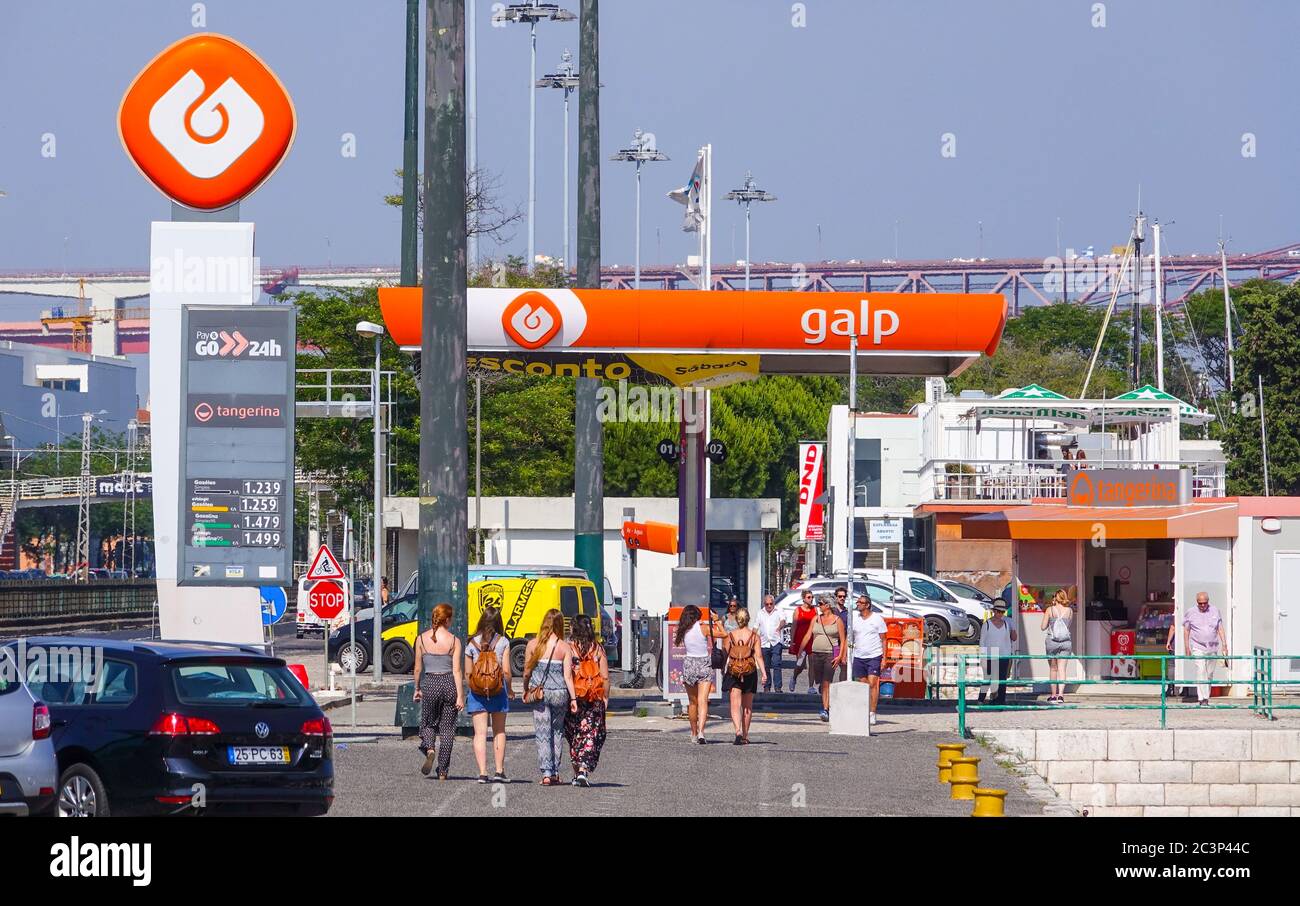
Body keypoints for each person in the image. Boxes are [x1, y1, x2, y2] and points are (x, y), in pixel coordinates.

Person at [413, 603, 464, 780]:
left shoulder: (421, 639)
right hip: (449, 683)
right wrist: (460, 695)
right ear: (447, 620)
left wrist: (417, 688)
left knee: (428, 722)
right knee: (448, 729)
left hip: (431, 683)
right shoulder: (454, 641)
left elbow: (418, 668)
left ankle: (430, 748)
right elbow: (457, 670)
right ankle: (443, 770)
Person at [523, 609, 574, 786]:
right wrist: (573, 699)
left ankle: (546, 772)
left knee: (543, 733)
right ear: (561, 625)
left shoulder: (533, 645)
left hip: (540, 694)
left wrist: (525, 689)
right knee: (557, 731)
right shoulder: (564, 647)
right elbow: (568, 677)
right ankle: (556, 772)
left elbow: (526, 672)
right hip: (560, 693)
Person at [465, 605, 513, 783]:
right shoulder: (503, 642)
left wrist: (476, 687)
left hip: (477, 693)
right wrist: (510, 690)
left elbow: (467, 673)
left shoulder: (472, 643)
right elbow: (506, 672)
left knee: (480, 734)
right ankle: (499, 771)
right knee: (499, 731)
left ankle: (483, 773)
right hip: (498, 691)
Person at [564, 615, 608, 786]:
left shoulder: (569, 648)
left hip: (574, 697)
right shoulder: (598, 649)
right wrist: (605, 697)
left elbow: (566, 674)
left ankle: (578, 773)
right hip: (593, 696)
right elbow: (605, 677)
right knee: (590, 734)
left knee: (574, 735)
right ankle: (582, 771)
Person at [796, 594, 846, 721]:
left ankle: (826, 709)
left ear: (828, 606)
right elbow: (808, 636)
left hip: (830, 654)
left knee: (826, 682)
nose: (818, 606)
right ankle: (826, 696)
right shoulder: (816, 619)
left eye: (821, 604)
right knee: (820, 681)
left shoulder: (837, 620)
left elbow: (843, 640)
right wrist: (800, 650)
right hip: (816, 653)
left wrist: (840, 655)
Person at [722, 608, 766, 744]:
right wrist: (764, 673)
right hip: (749, 672)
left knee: (735, 704)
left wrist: (722, 669)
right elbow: (758, 656)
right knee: (747, 706)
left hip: (734, 671)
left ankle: (738, 731)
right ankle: (745, 736)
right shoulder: (754, 637)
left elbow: (725, 654)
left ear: (737, 620)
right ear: (748, 619)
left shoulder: (730, 636)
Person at [676, 604, 719, 743]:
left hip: (689, 663)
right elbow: (723, 634)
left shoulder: (683, 629)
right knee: (703, 700)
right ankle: (701, 732)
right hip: (703, 663)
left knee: (692, 702)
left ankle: (693, 733)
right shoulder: (704, 627)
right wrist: (716, 621)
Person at [850, 595, 888, 725]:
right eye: (858, 602)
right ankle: (864, 710)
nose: (858, 604)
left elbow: (884, 639)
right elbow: (852, 637)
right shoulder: (855, 619)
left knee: (872, 684)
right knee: (863, 685)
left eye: (861, 602)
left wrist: (884, 658)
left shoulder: (877, 619)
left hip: (874, 655)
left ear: (867, 605)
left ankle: (872, 712)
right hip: (859, 655)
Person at [1184, 592, 1227, 707]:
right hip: (1198, 646)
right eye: (1200, 603)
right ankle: (1202, 698)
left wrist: (1224, 645)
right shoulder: (1191, 612)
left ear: (1208, 602)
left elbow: (1220, 629)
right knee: (1201, 670)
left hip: (1212, 646)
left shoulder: (1215, 611)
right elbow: (1186, 630)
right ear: (1197, 602)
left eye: (1205, 603)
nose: (1202, 605)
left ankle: (1206, 696)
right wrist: (1187, 647)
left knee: (1209, 673)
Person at [977, 601, 1018, 706]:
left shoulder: (1006, 624)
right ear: (994, 611)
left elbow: (1011, 639)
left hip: (1004, 654)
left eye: (1002, 612)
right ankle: (981, 699)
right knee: (988, 677)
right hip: (990, 654)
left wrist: (1009, 655)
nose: (1000, 614)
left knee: (1002, 679)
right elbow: (982, 641)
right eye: (998, 611)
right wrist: (982, 657)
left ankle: (1000, 701)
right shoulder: (987, 624)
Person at [1041, 589, 1073, 704]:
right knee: (1062, 669)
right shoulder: (1069, 611)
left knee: (1053, 669)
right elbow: (1068, 625)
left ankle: (1053, 695)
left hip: (1052, 642)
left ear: (1055, 598)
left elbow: (1043, 626)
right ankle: (1061, 695)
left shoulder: (1050, 610)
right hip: (1066, 642)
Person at [753, 594, 786, 692]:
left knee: (776, 664)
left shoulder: (779, 611)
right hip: (764, 643)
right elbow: (755, 627)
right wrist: (751, 638)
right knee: (766, 666)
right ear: (764, 604)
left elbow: (783, 621)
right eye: (767, 604)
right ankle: (767, 686)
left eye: (771, 604)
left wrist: (779, 627)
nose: (769, 606)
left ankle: (778, 687)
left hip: (776, 642)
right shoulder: (760, 613)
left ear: (774, 603)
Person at [789, 590, 818, 693]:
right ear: (804, 598)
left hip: (811, 640)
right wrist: (792, 642)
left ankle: (811, 686)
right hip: (800, 639)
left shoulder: (815, 610)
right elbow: (794, 626)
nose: (811, 599)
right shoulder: (798, 610)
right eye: (809, 597)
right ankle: (794, 677)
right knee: (800, 665)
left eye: (812, 597)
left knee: (812, 663)